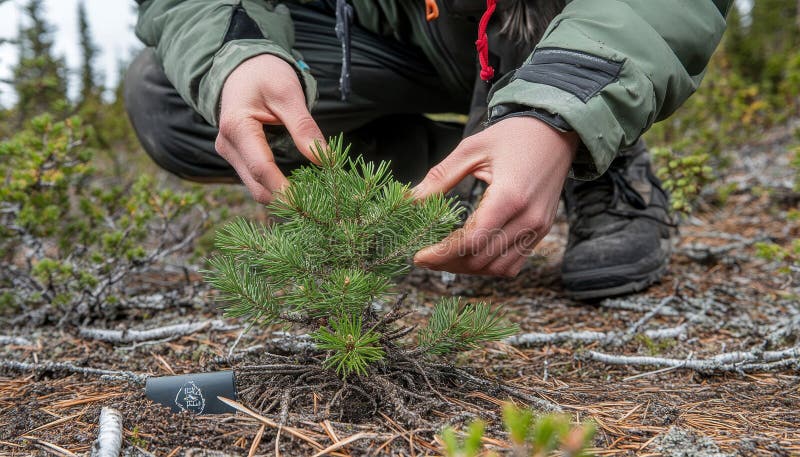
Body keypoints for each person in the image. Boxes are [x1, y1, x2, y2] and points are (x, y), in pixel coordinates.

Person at [126, 0, 732, 300]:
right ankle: (456, 186)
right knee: (168, 99)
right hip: (388, 35)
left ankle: (591, 156)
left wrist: (557, 110)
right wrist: (241, 54)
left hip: (546, 25)